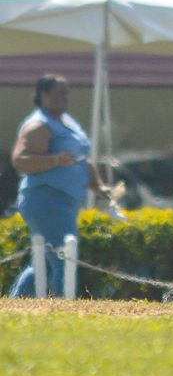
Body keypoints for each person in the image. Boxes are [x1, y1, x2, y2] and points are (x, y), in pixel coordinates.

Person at [8, 74, 110, 297]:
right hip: (46, 200)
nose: (65, 98)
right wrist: (54, 160)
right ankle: (63, 305)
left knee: (42, 264)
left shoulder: (67, 122)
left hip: (65, 202)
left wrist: (98, 186)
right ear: (43, 95)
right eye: (59, 94)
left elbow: (82, 159)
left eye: (67, 94)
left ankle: (14, 303)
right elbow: (20, 160)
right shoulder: (38, 125)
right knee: (64, 258)